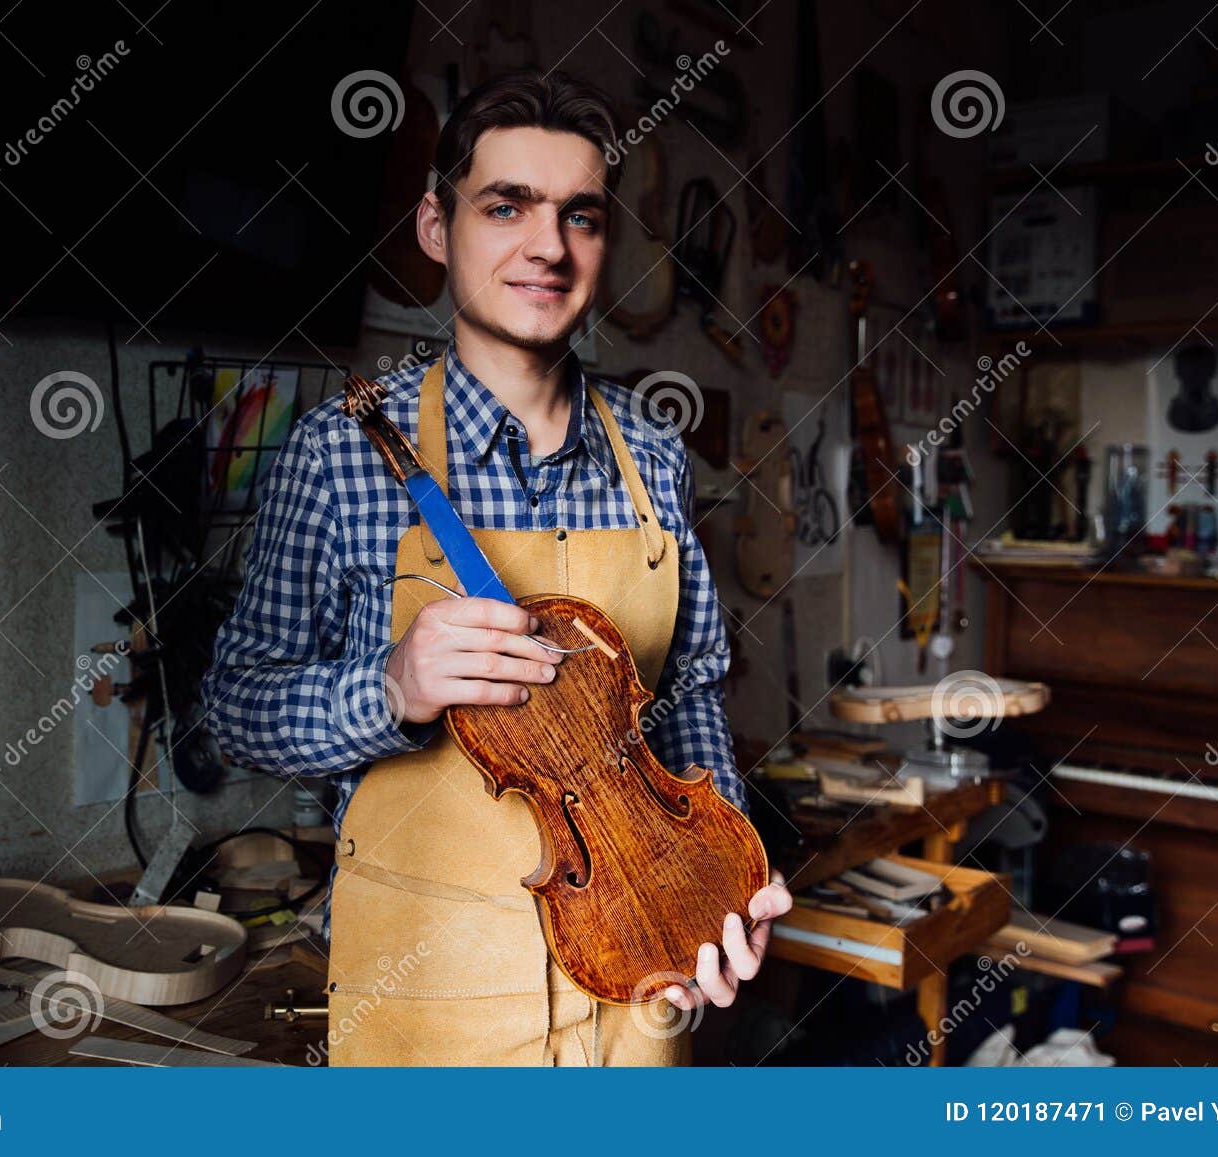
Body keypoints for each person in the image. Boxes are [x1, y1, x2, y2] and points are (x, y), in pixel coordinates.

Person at [203, 67, 790, 1066]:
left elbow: (686, 693)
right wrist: (389, 684)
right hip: (427, 1012)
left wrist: (715, 878)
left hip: (632, 1005)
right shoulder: (339, 455)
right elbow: (232, 710)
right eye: (506, 205)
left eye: (580, 215)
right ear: (436, 225)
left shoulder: (651, 455)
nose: (547, 246)